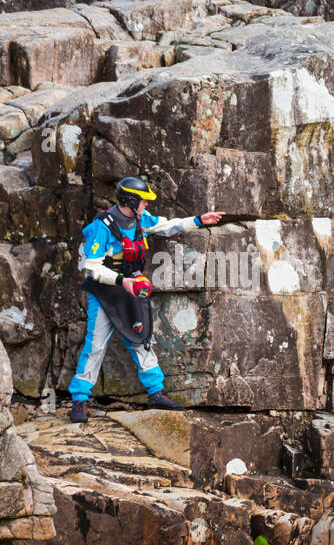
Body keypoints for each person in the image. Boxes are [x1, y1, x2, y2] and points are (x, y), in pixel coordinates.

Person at [70, 176, 226, 423]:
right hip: (104, 292)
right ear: (131, 201)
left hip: (132, 288)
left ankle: (156, 393)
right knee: (95, 345)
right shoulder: (102, 226)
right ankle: (79, 400)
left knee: (142, 338)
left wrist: (198, 220)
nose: (146, 206)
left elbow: (166, 226)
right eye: (143, 201)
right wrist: (124, 282)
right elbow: (92, 268)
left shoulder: (141, 219)